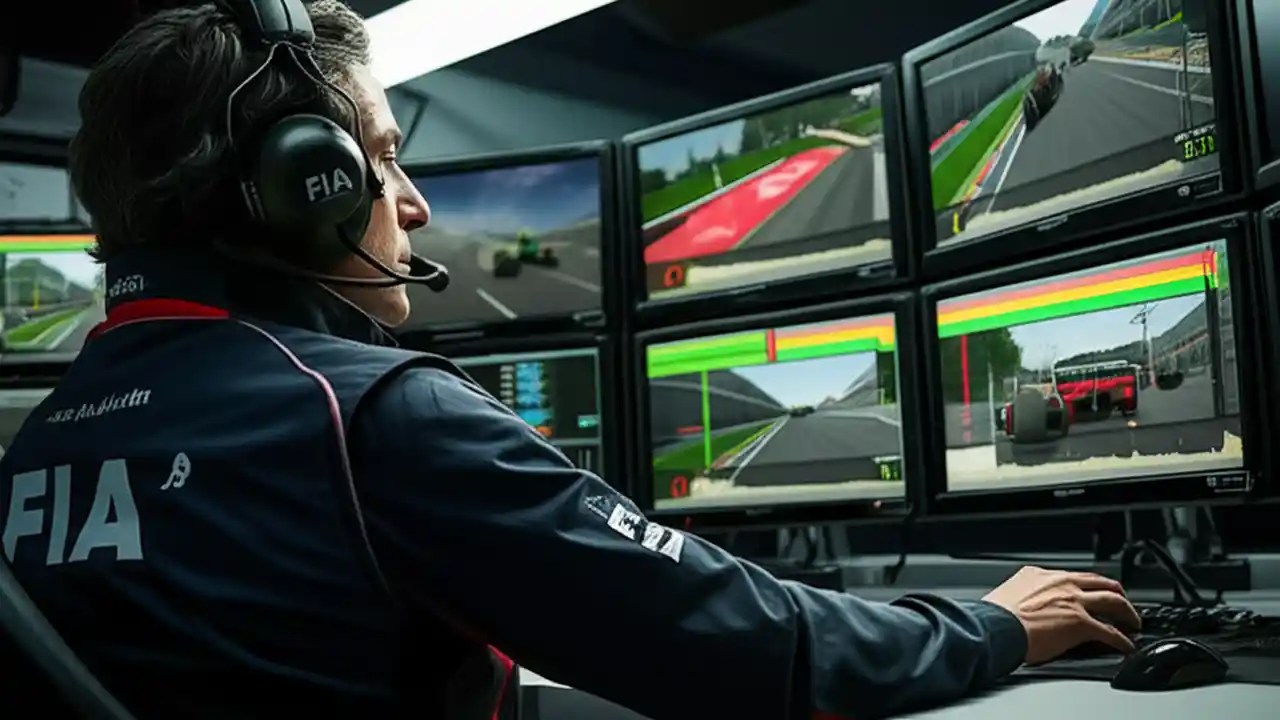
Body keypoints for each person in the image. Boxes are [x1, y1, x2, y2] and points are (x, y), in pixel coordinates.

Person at [0, 1, 1141, 718]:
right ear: (308, 185)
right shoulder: (370, 417)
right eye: (380, 160)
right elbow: (757, 652)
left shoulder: (47, 438)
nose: (412, 202)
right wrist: (991, 620)